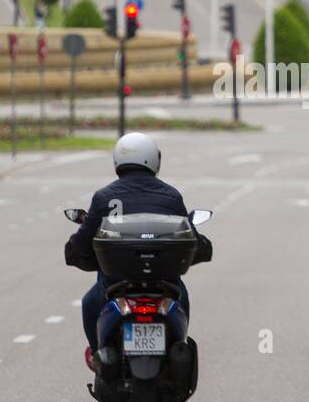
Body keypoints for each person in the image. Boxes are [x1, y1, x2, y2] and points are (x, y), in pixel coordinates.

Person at [65, 132, 210, 371]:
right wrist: (202, 249)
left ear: (117, 162)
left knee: (90, 303)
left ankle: (99, 356)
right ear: (155, 160)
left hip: (114, 283)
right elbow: (190, 235)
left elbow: (82, 243)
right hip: (165, 283)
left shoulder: (104, 197)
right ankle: (178, 345)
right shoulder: (171, 196)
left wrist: (75, 252)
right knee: (182, 297)